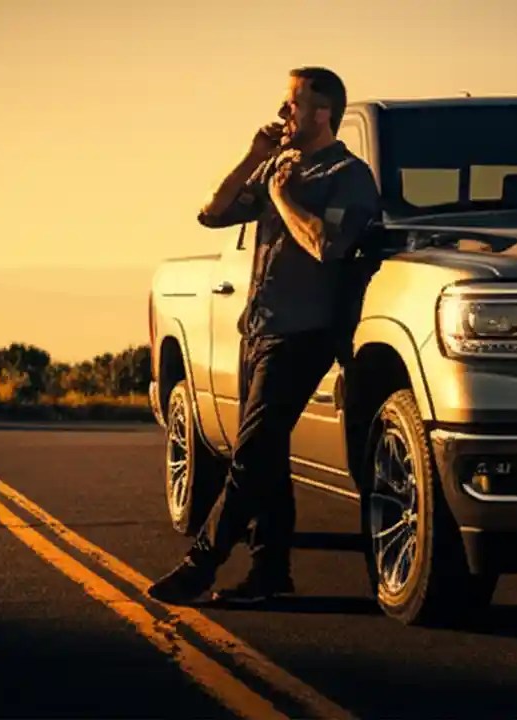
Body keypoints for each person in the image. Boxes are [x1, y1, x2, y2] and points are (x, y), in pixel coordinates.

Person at [148, 67, 380, 604]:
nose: (283, 114)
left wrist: (281, 199)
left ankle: (200, 564)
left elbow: (328, 245)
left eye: (292, 105)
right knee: (268, 458)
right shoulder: (279, 165)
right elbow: (212, 212)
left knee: (251, 453)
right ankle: (270, 575)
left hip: (305, 333)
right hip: (257, 328)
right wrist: (255, 157)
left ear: (322, 114)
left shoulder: (347, 175)